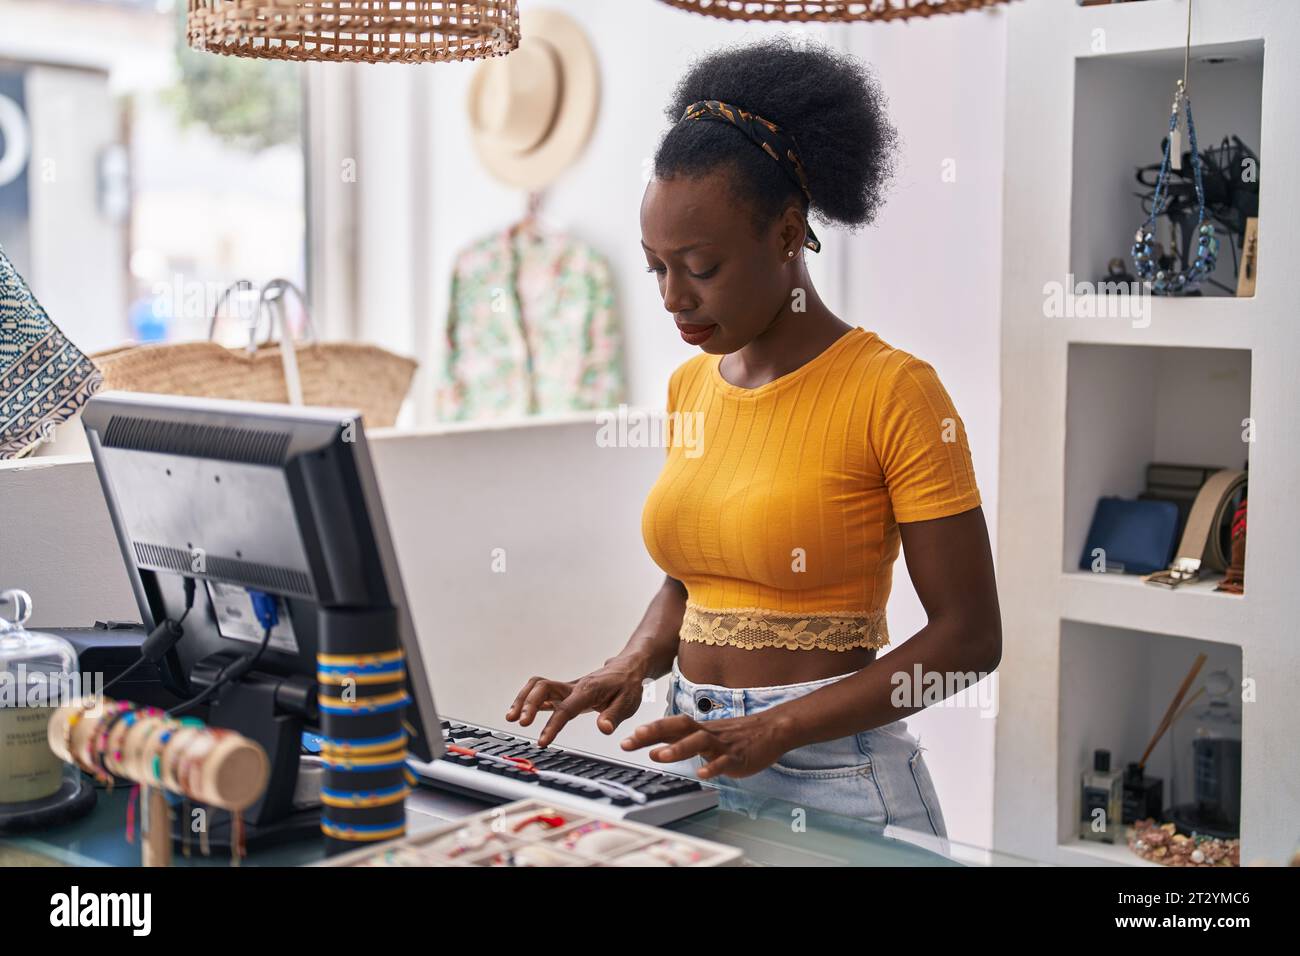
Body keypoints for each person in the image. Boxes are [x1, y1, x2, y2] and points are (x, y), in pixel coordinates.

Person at [505, 36, 1001, 840]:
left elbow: (971, 641)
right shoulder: (690, 386)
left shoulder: (894, 390)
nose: (673, 296)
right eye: (656, 267)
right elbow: (692, 580)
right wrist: (631, 663)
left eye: (699, 266)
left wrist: (775, 727)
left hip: (838, 775)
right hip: (696, 756)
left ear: (786, 235)